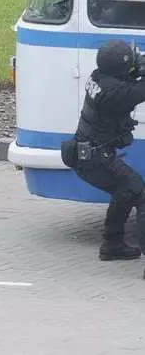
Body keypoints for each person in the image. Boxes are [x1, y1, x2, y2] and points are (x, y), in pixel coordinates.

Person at [61, 39, 145, 265]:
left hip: (88, 155)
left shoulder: (98, 77)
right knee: (140, 193)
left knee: (125, 190)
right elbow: (137, 90)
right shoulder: (115, 95)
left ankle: (113, 245)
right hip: (96, 159)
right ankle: (114, 244)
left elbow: (125, 83)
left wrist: (136, 69)